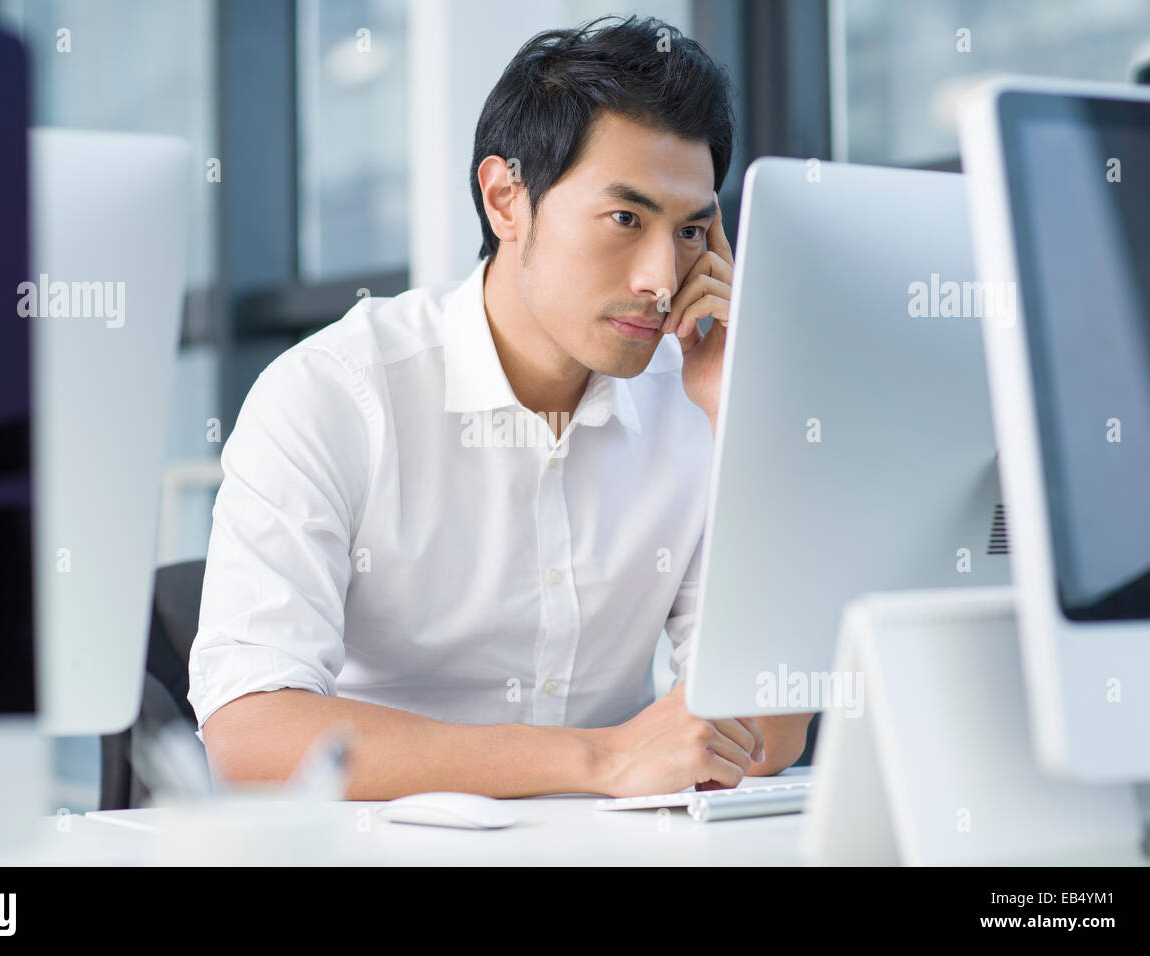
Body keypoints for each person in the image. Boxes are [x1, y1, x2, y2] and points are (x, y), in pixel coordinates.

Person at [189, 14, 812, 800]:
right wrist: (601, 760)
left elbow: (766, 735)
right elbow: (252, 738)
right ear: (506, 199)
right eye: (626, 219)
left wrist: (737, 422)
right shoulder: (332, 393)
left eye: (691, 230)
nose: (662, 277)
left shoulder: (692, 397)